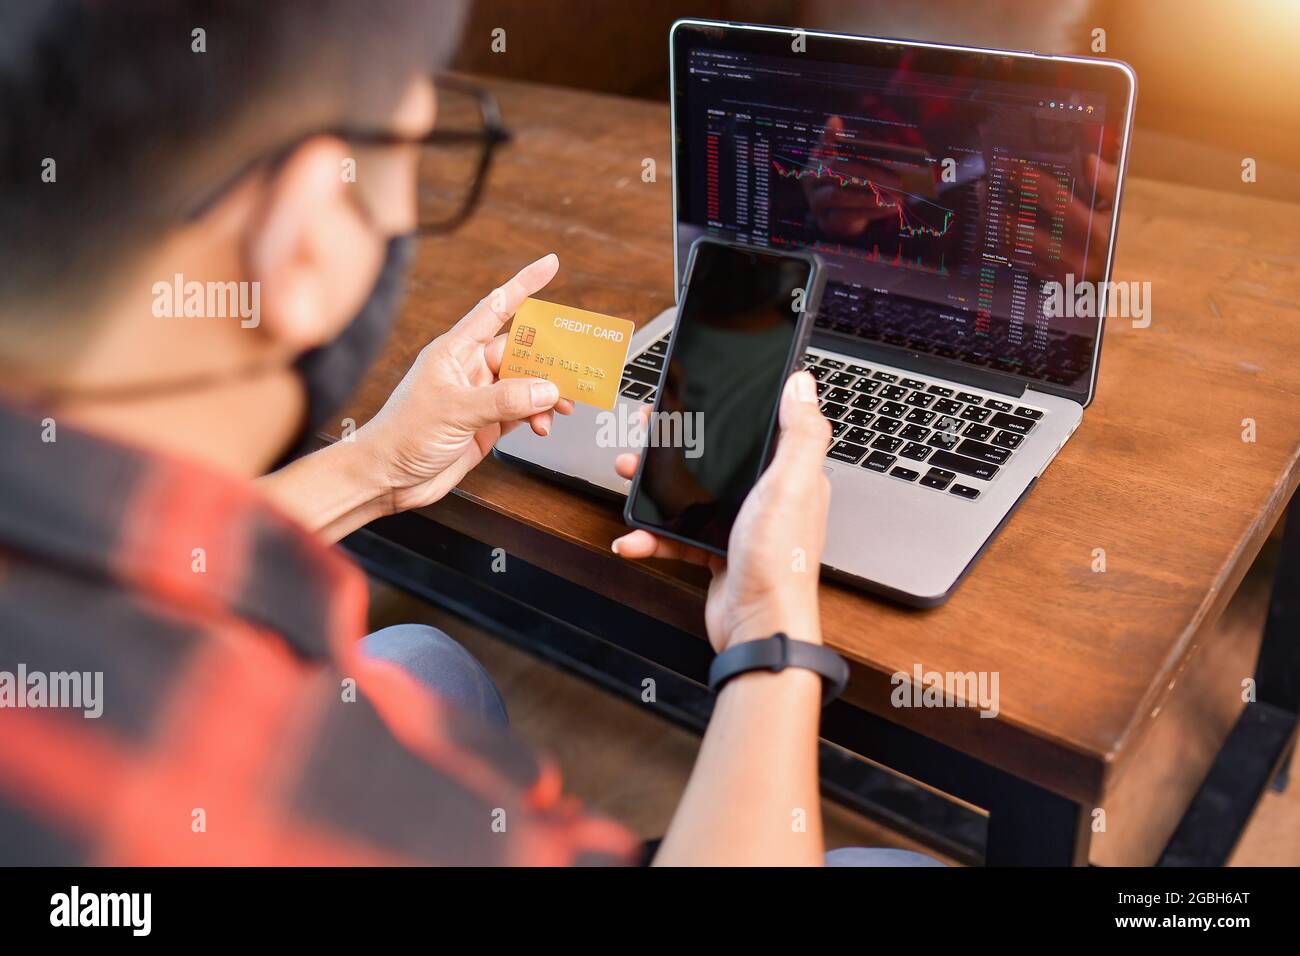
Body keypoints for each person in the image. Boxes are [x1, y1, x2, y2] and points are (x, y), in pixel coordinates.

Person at [0, 0, 936, 866]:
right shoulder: (290, 789)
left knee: (421, 659)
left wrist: (375, 468)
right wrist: (770, 629)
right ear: (304, 241)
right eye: (424, 145)